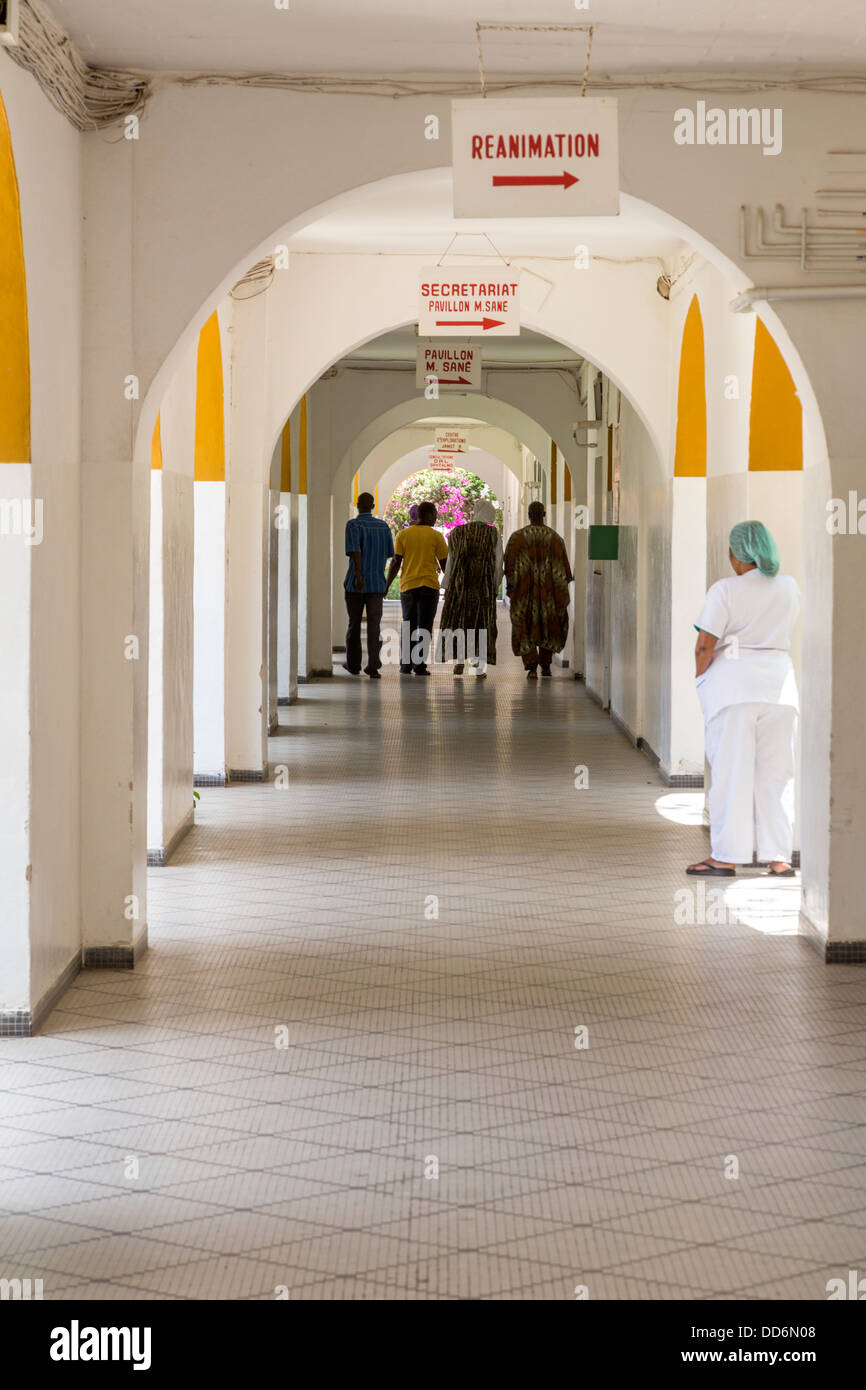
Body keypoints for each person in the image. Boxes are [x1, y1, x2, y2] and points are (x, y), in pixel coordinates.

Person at [687, 520, 800, 879]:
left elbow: (705, 645)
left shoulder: (725, 590)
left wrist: (702, 680)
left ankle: (726, 857)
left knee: (730, 773)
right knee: (777, 775)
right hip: (780, 689)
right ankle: (779, 857)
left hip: (734, 692)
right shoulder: (788, 587)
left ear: (739, 555)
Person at [504, 500, 573, 679]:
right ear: (544, 515)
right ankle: (546, 666)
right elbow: (563, 571)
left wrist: (513, 587)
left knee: (524, 627)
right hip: (549, 595)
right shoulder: (556, 539)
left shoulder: (517, 538)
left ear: (528, 515)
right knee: (548, 626)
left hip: (524, 595)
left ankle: (532, 667)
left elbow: (509, 567)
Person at [439, 497, 503, 677]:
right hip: (483, 588)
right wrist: (495, 585)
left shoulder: (457, 532)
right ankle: (478, 668)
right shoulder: (493, 534)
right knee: (481, 625)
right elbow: (498, 563)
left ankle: (459, 663)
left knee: (461, 623)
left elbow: (451, 562)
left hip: (460, 588)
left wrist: (448, 586)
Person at [386, 500, 448, 676]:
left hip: (408, 586)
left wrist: (387, 585)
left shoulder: (403, 535)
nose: (436, 517)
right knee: (424, 626)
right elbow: (445, 564)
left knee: (408, 625)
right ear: (427, 515)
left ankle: (405, 665)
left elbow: (396, 562)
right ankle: (419, 665)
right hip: (429, 587)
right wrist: (449, 586)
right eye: (434, 514)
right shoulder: (436, 536)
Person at [342, 491, 394, 679]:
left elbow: (355, 550)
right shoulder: (383, 527)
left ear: (357, 505)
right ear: (372, 507)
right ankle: (373, 665)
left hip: (356, 585)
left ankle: (353, 664)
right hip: (377, 585)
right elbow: (390, 553)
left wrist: (358, 575)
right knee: (374, 625)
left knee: (354, 624)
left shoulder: (353, 525)